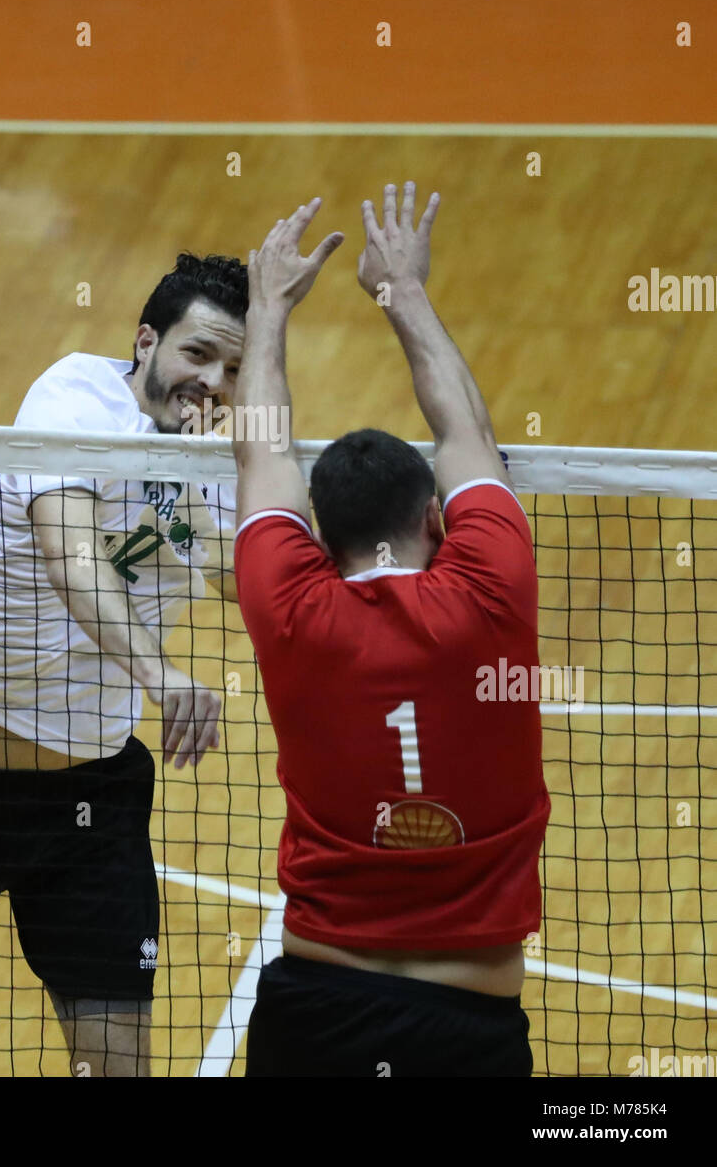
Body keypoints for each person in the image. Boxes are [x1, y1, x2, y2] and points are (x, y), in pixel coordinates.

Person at [0, 253, 247, 1079]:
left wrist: (218, 487)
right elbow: (71, 555)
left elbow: (261, 585)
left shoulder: (220, 466)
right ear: (146, 342)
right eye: (197, 354)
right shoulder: (76, 395)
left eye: (234, 369)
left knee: (116, 1071)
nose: (211, 382)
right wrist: (163, 677)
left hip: (90, 808)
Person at [231, 185, 550, 1077]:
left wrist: (268, 310)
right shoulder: (494, 587)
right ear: (439, 521)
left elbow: (261, 450)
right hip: (468, 1027)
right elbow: (468, 432)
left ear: (317, 543)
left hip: (316, 1012)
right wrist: (400, 289)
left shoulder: (290, 606)